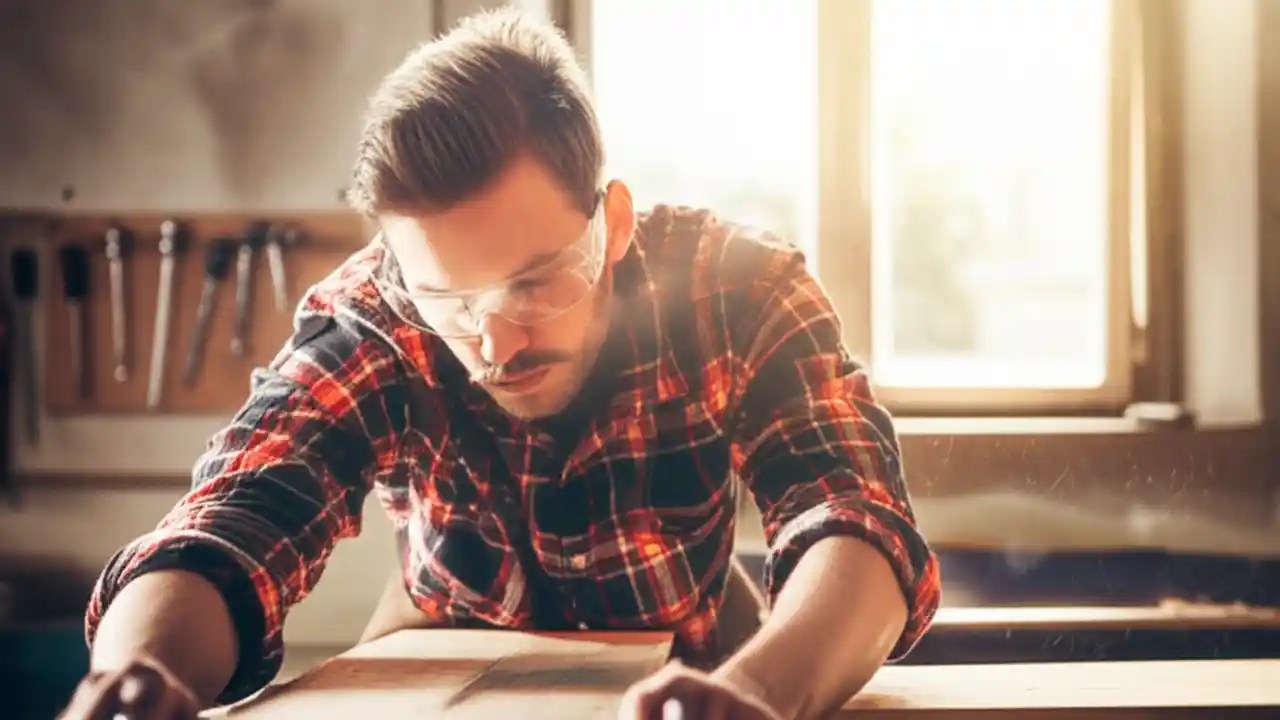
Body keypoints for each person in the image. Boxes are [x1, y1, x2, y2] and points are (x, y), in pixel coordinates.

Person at [60, 9, 940, 720]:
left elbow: (850, 511)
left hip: (697, 660)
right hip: (439, 655)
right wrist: (139, 677)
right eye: (453, 302)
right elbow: (236, 519)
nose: (497, 342)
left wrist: (757, 696)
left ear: (615, 221)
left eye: (536, 283)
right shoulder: (373, 315)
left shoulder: (738, 288)